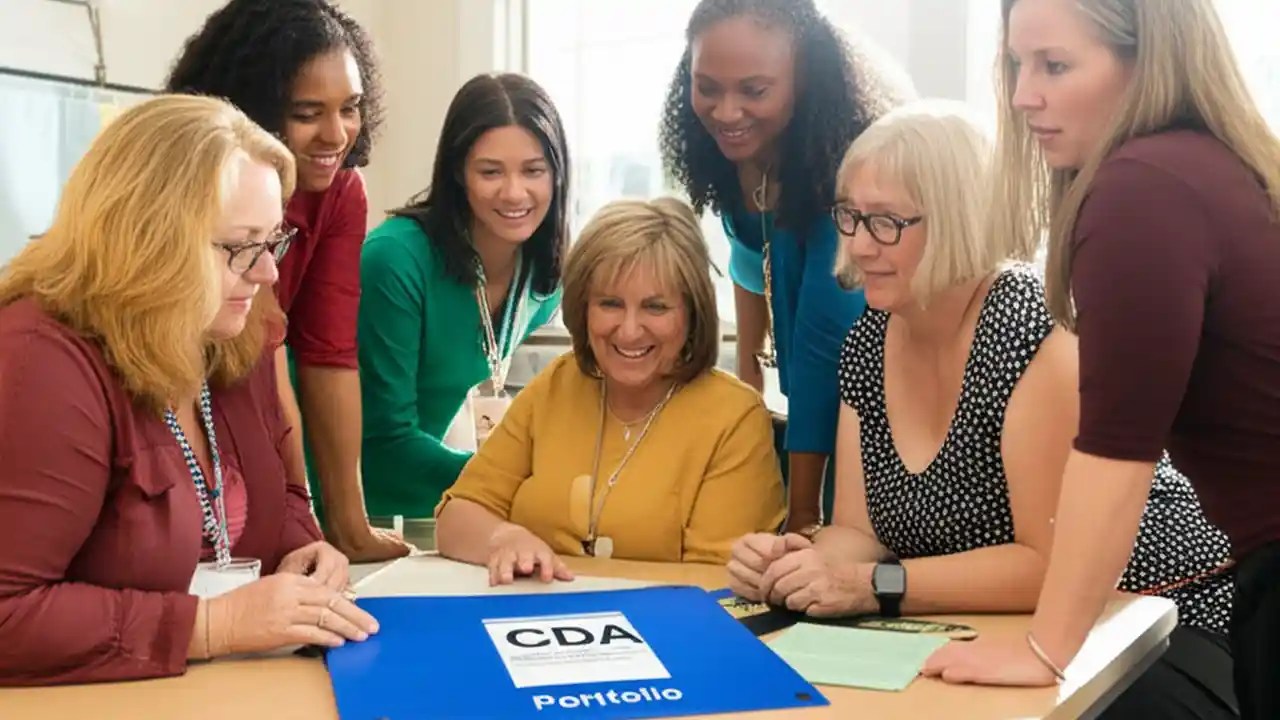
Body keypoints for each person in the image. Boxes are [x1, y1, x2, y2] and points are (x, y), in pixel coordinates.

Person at [728, 102, 1237, 717]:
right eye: (850, 216)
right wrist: (800, 565)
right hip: (998, 631)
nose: (860, 244)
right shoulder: (869, 337)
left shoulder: (1032, 329)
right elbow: (858, 534)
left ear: (958, 221)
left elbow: (1048, 567)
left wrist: (874, 585)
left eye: (886, 221)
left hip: (1160, 620)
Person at [919, 1, 1280, 717]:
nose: (1024, 95)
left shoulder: (1143, 187)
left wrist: (1045, 649)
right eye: (1018, 65)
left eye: (1055, 65)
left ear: (1146, 64)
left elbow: (1117, 460)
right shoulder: (1211, 166)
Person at [0, 95, 378, 686]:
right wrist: (211, 626)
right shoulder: (40, 361)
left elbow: (274, 487)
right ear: (146, 241)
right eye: (239, 247)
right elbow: (7, 612)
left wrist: (304, 551)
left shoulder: (232, 323)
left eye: (272, 241)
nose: (267, 273)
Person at [166, 0, 409, 562]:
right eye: (307, 113)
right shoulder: (212, 185)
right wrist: (300, 524)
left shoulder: (341, 192)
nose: (336, 134)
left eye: (350, 108)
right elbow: (262, 352)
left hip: (247, 379)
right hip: (175, 390)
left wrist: (345, 526)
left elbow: (328, 356)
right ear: (252, 110)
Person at [435, 198, 786, 584]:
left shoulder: (734, 416)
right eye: (610, 304)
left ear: (692, 313)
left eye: (655, 307)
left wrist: (565, 570)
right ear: (583, 308)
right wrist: (504, 538)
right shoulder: (558, 383)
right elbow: (457, 515)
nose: (629, 330)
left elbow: (719, 580)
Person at [659, 0, 910, 534]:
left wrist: (800, 518)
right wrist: (746, 409)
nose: (726, 112)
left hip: (870, 431)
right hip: (798, 424)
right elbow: (753, 272)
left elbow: (824, 348)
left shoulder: (841, 182)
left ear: (806, 81)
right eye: (708, 86)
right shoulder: (731, 159)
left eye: (754, 90)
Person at [357, 73, 569, 525]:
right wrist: (525, 481)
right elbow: (384, 442)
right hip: (350, 512)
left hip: (445, 503)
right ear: (458, 173)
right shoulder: (394, 260)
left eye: (533, 170)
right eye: (490, 171)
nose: (514, 193)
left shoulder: (544, 280)